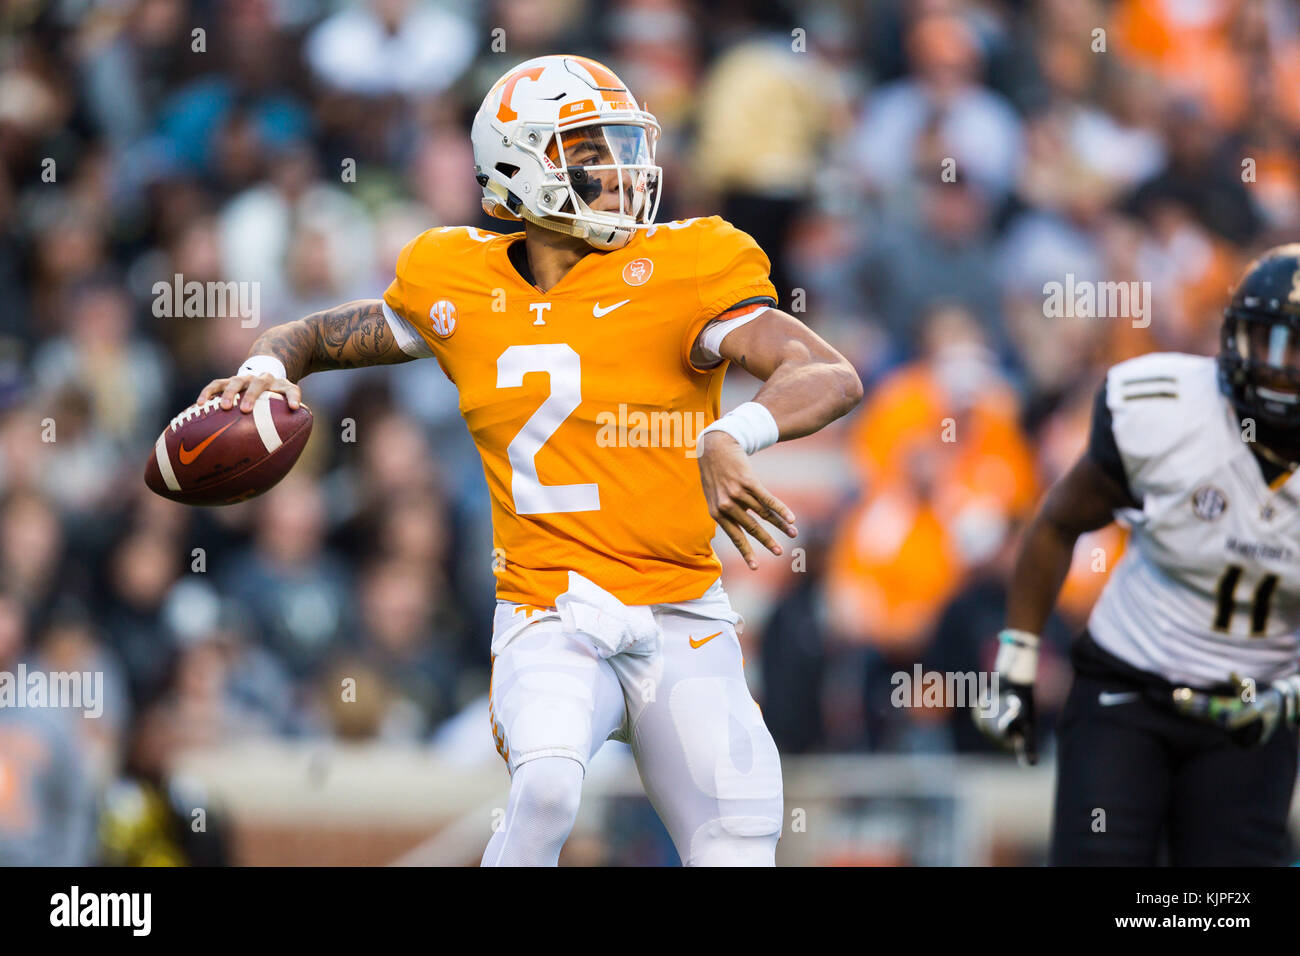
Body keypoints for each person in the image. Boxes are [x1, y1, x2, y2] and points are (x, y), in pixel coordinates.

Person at [194, 54, 862, 867]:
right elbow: (312, 336)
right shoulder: (455, 279)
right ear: (519, 167)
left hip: (681, 610)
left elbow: (828, 372)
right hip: (550, 612)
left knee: (742, 842)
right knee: (546, 790)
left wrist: (734, 433)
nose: (620, 170)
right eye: (590, 150)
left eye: (623, 143)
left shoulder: (688, 264)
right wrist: (265, 369)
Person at [974, 245, 1300, 865]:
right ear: (1235, 337)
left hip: (1255, 708)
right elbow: (1056, 522)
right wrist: (1017, 661)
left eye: (1298, 349)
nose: (1281, 369)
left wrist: (1290, 696)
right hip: (1129, 686)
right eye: (1268, 342)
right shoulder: (1167, 413)